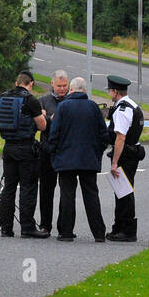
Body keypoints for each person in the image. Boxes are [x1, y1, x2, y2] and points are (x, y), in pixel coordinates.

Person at [47, 76, 109, 242]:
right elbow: (104, 135)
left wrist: (54, 156)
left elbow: (54, 134)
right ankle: (99, 233)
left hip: (66, 159)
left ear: (71, 89)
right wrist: (97, 152)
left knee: (67, 195)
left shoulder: (63, 107)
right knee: (91, 195)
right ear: (85, 90)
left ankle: (66, 232)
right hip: (89, 159)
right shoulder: (94, 108)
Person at [0, 71, 48, 238]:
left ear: (17, 82)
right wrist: (43, 115)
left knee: (9, 189)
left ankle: (6, 228)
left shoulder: (3, 98)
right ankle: (27, 227)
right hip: (25, 149)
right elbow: (42, 126)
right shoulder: (30, 100)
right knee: (28, 187)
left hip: (8, 148)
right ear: (30, 83)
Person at [105, 74, 145, 242]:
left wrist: (114, 162)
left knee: (123, 193)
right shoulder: (133, 105)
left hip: (126, 155)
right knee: (125, 191)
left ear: (115, 91)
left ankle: (126, 230)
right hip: (133, 151)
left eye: (110, 90)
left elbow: (120, 137)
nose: (109, 93)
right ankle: (120, 227)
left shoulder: (122, 110)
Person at [36, 69, 69, 237]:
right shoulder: (42, 101)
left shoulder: (71, 101)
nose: (62, 89)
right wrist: (49, 119)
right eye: (59, 86)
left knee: (66, 191)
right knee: (46, 190)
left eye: (65, 86)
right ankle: (45, 225)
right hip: (46, 151)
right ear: (52, 84)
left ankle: (64, 227)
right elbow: (38, 124)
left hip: (65, 152)